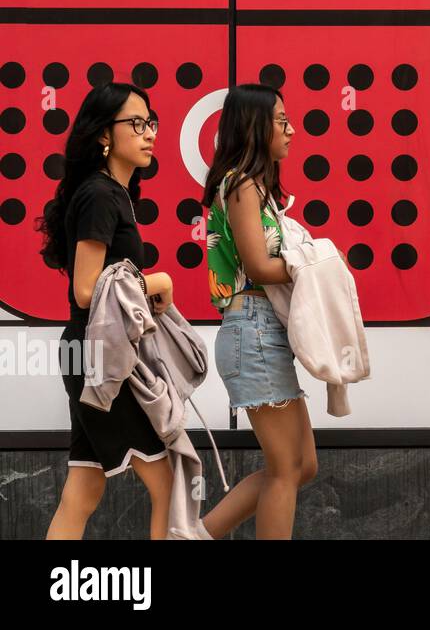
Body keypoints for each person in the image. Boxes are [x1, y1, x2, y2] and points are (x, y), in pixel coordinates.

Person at [38, 81, 177, 539]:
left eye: (150, 122)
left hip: (91, 354)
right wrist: (158, 281)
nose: (149, 132)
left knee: (84, 488)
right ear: (104, 135)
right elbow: (85, 290)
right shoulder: (100, 195)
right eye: (135, 123)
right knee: (167, 481)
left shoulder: (112, 193)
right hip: (99, 357)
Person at [197, 83, 316, 539]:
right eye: (281, 120)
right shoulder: (242, 183)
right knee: (286, 469)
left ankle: (196, 535)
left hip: (262, 332)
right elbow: (258, 266)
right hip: (253, 329)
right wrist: (314, 264)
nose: (290, 129)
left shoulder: (256, 188)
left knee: (302, 465)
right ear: (255, 126)